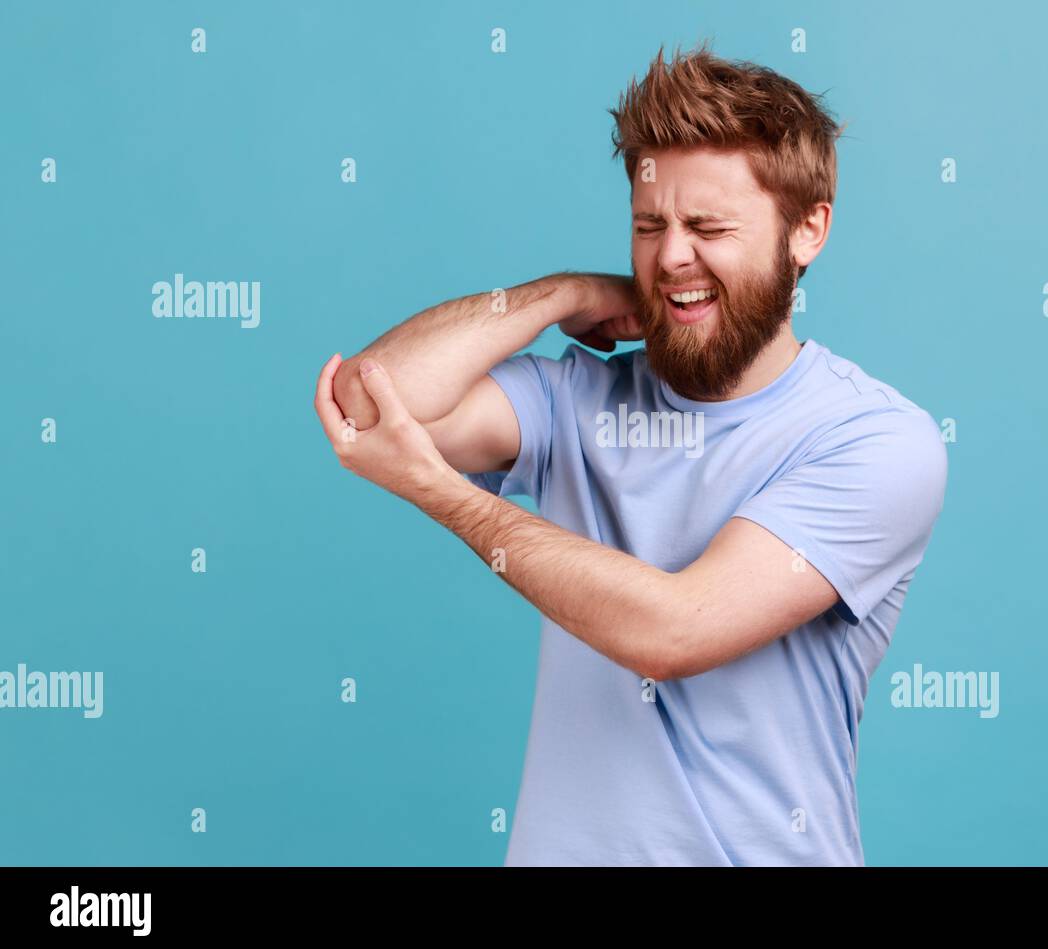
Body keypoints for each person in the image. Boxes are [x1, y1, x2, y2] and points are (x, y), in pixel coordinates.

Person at [313, 43, 948, 866]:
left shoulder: (876, 443)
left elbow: (675, 631)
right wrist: (563, 295)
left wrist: (442, 494)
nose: (673, 256)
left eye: (709, 228)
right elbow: (367, 400)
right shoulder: (580, 398)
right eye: (651, 227)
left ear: (808, 230)